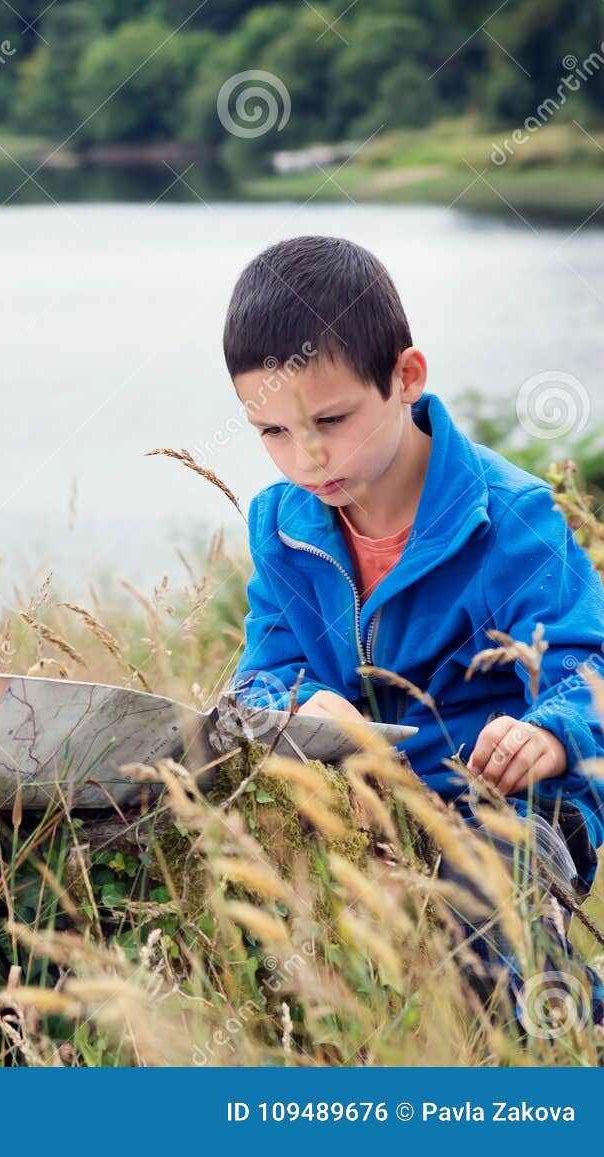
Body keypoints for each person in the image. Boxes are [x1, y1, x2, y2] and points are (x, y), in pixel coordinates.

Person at [225, 235, 604, 1030]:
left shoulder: (510, 518)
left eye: (331, 418)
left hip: (512, 806)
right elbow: (262, 672)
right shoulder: (279, 526)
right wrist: (303, 700)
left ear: (406, 377)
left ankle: (574, 1036)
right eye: (274, 433)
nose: (310, 456)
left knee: (491, 941)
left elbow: (589, 664)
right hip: (357, 801)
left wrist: (552, 732)